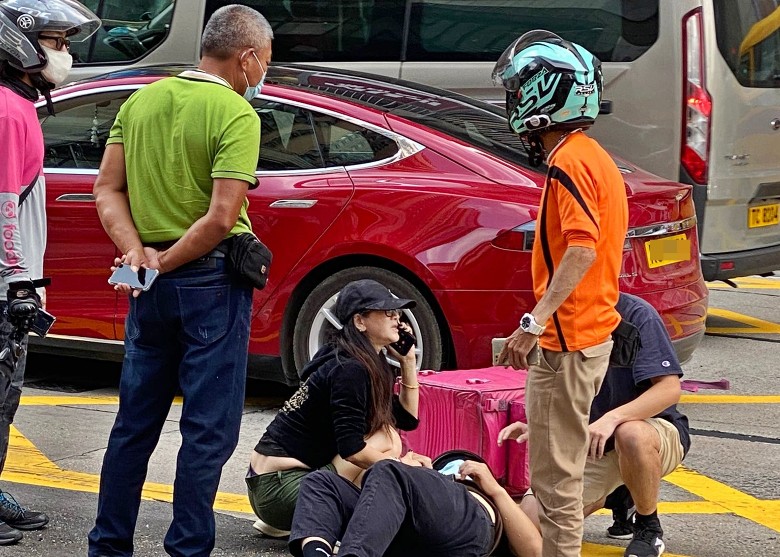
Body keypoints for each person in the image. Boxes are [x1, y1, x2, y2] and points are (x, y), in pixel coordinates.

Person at [87, 5, 272, 556]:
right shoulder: (237, 115)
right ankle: (188, 549)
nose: (263, 73)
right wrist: (163, 261)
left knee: (134, 424)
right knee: (207, 432)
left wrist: (137, 254)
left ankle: (109, 546)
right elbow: (220, 218)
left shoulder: (141, 99)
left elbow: (107, 190)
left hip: (148, 285)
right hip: (210, 281)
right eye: (265, 62)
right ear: (248, 58)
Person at [493, 30, 629, 557]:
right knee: (556, 478)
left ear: (543, 95)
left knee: (556, 485)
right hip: (581, 334)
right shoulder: (590, 156)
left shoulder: (571, 162)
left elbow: (582, 249)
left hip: (569, 339)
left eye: (518, 89)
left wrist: (533, 323)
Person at [0, 0, 100, 546]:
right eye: (56, 42)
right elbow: (3, 205)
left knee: (6, 399)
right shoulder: (8, 112)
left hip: (13, 283)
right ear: (20, 46)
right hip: (5, 287)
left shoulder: (19, 106)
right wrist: (16, 283)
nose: (65, 53)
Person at [499, 293, 691, 557]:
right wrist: (540, 426)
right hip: (590, 443)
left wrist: (613, 419)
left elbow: (669, 389)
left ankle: (648, 527)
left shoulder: (636, 314)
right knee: (529, 526)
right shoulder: (559, 319)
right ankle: (616, 495)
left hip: (649, 432)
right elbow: (560, 391)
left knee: (630, 434)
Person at [246, 278, 424, 538]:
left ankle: (297, 519)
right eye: (387, 311)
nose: (397, 318)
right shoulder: (349, 369)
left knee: (388, 435)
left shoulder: (367, 361)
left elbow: (407, 419)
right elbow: (352, 450)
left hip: (278, 484)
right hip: (277, 490)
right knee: (386, 443)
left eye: (397, 311)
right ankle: (324, 524)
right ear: (360, 321)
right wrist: (402, 467)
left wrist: (408, 363)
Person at [289, 453, 543, 557]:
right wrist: (418, 473)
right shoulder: (428, 482)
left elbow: (535, 550)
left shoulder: (490, 493)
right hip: (413, 525)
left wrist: (496, 489)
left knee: (389, 471)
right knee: (321, 482)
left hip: (469, 521)